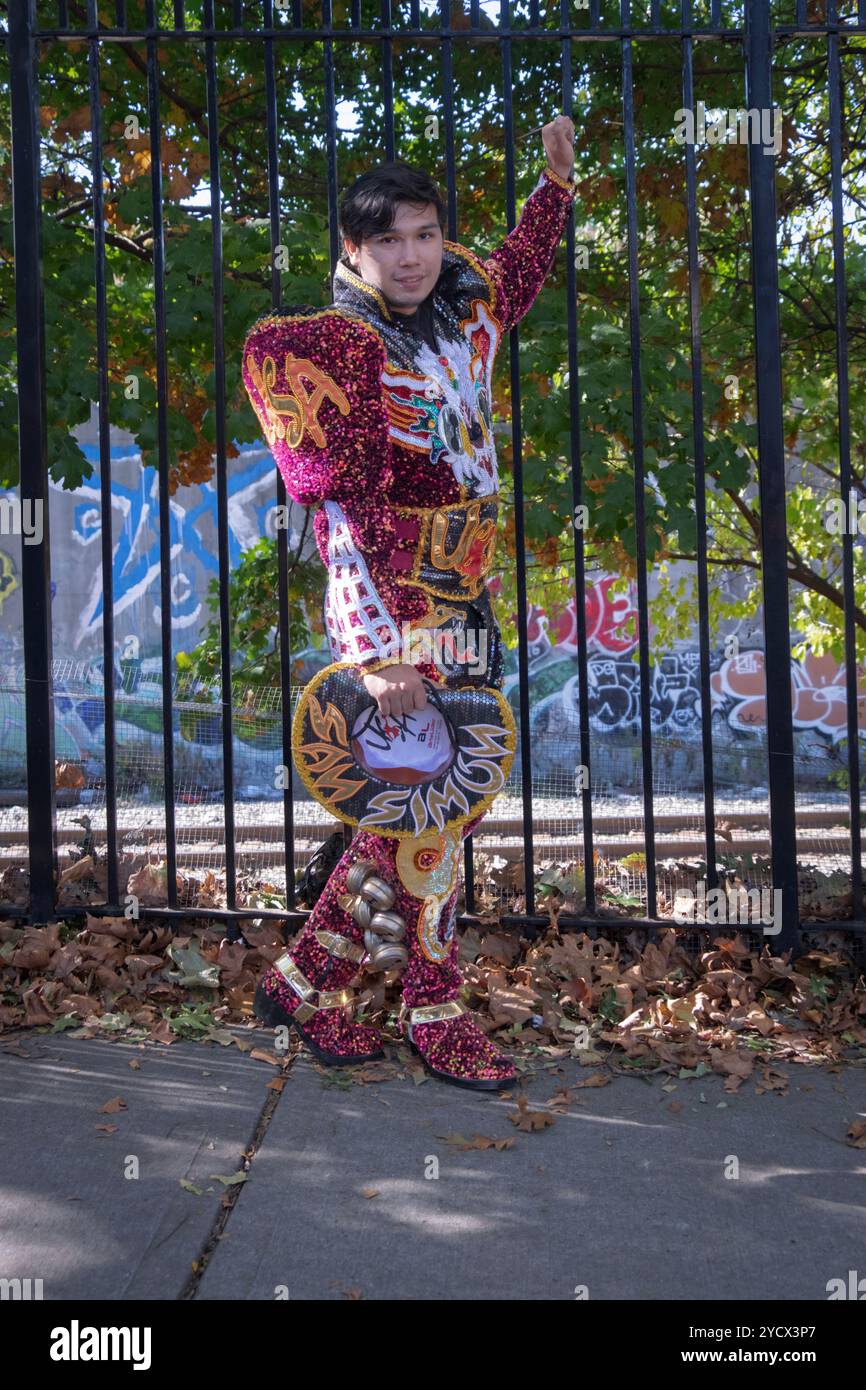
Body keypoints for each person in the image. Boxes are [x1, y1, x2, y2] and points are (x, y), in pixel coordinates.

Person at [242, 116, 576, 1089]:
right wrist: (378, 652)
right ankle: (432, 1007)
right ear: (351, 250)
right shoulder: (343, 350)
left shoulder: (467, 305)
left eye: (423, 233)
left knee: (430, 800)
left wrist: (552, 188)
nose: (411, 255)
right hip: (401, 602)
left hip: (465, 591)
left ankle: (305, 977)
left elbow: (514, 271)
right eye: (386, 239)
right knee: (433, 806)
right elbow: (340, 517)